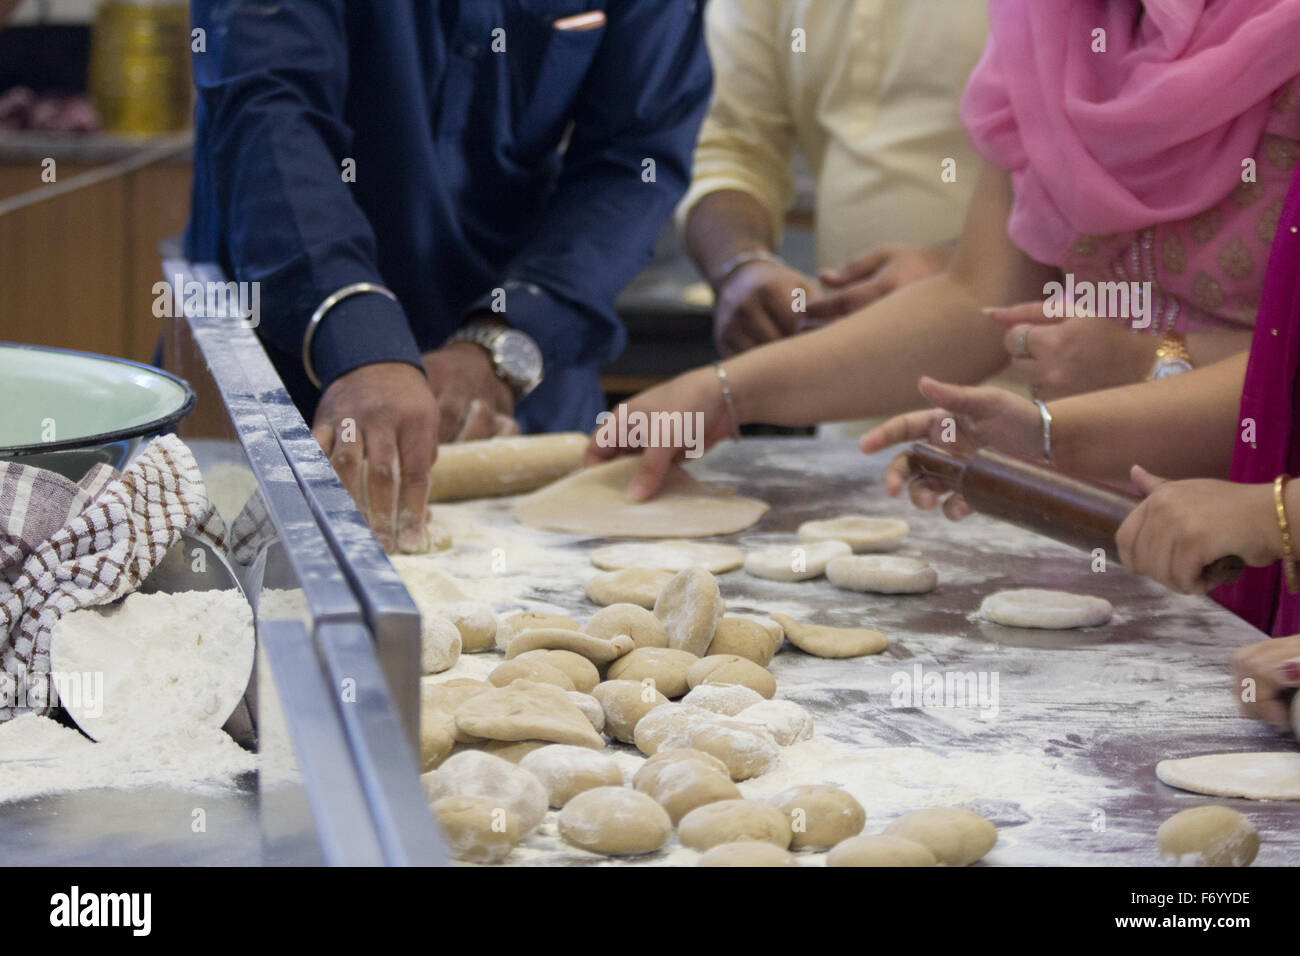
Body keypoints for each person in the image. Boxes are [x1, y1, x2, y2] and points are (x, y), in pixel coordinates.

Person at [588, 0, 1300, 501]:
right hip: (1104, 531)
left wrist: (1136, 377)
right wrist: (726, 391)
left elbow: (1276, 369)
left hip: (1269, 541)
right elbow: (975, 301)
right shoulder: (1055, 28)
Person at [186, 1, 711, 553]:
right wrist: (358, 337)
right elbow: (270, 110)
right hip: (280, 370)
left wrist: (501, 342)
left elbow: (633, 161)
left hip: (522, 382)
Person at [677, 0, 986, 356]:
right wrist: (741, 266)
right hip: (849, 378)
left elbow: (1065, 180)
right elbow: (727, 146)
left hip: (1037, 383)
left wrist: (965, 273)